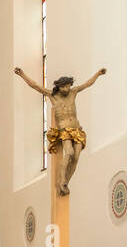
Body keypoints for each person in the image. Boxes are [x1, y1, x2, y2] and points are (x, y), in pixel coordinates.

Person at [13, 66, 107, 195]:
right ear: (59, 87)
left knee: (76, 158)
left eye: (68, 86)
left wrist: (98, 74)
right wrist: (22, 74)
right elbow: (35, 86)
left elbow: (87, 84)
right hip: (64, 130)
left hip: (76, 129)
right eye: (63, 87)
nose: (66, 89)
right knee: (69, 153)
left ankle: (65, 182)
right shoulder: (53, 96)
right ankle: (61, 180)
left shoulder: (73, 92)